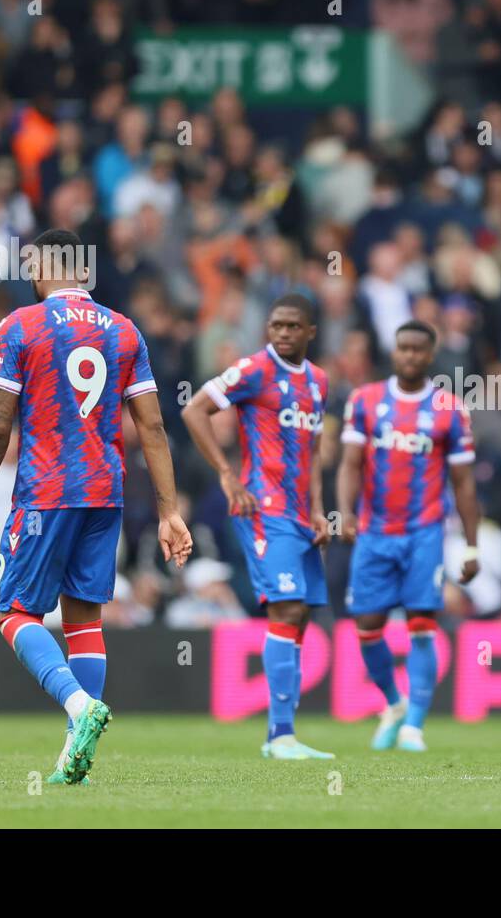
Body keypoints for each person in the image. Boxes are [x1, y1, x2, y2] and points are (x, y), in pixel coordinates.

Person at [0, 229, 192, 785]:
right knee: (84, 617)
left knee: (15, 613)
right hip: (105, 490)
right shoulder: (124, 329)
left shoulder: (22, 325)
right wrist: (168, 511)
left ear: (42, 265)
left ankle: (75, 705)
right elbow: (154, 425)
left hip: (46, 490)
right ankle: (75, 757)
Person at [182, 293, 332, 760]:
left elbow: (312, 451)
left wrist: (319, 509)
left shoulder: (319, 381)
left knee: (301, 615)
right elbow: (194, 411)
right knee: (285, 610)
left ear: (310, 331)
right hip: (262, 507)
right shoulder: (253, 370)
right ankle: (280, 736)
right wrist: (227, 476)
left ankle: (281, 733)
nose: (282, 333)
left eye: (292, 326)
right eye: (275, 325)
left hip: (298, 515)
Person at [336, 319, 480, 752]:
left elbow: (465, 483)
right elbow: (349, 464)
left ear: (430, 355)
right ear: (394, 351)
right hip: (374, 531)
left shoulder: (450, 409)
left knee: (421, 624)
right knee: (367, 623)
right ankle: (394, 703)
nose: (410, 356)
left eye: (418, 350)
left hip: (425, 532)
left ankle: (414, 725)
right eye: (403, 349)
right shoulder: (365, 400)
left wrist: (472, 545)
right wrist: (343, 512)